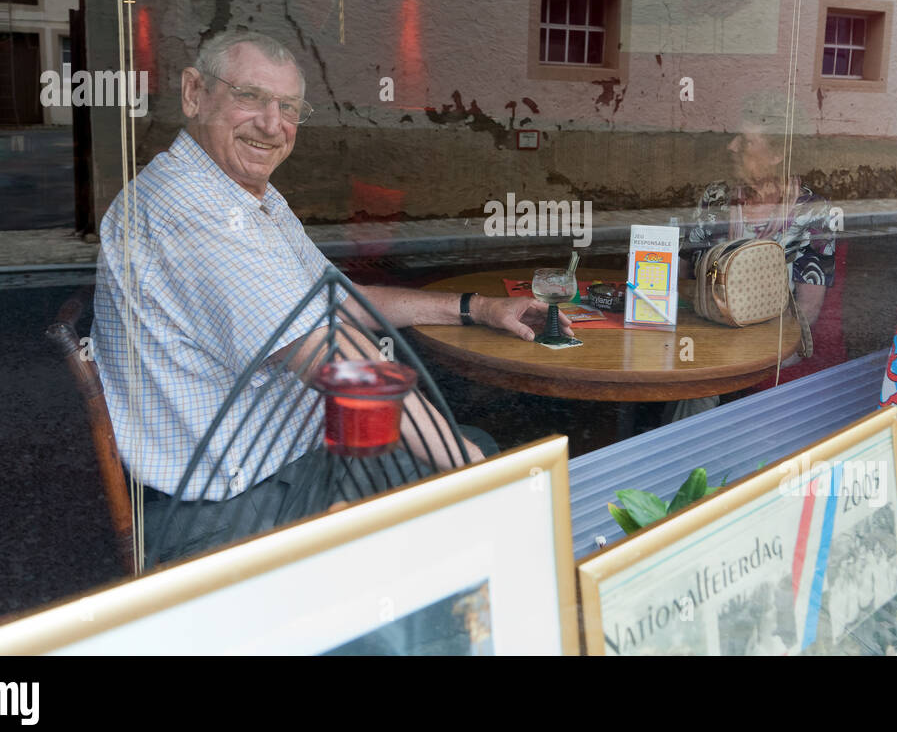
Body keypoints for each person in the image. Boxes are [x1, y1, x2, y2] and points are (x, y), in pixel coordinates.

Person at [92, 30, 570, 565]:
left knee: (470, 444)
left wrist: (475, 308)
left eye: (289, 107)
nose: (272, 125)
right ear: (194, 94)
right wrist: (463, 466)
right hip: (232, 514)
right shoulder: (187, 206)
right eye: (249, 97)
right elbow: (331, 352)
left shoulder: (248, 197)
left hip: (285, 467)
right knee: (472, 467)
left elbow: (341, 301)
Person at [664, 118, 837, 421]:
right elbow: (682, 276)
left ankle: (678, 458)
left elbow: (807, 311)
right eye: (733, 138)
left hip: (774, 336)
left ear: (776, 154)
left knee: (703, 377)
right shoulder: (716, 197)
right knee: (676, 361)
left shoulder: (813, 212)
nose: (731, 147)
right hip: (710, 324)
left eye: (744, 142)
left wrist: (740, 342)